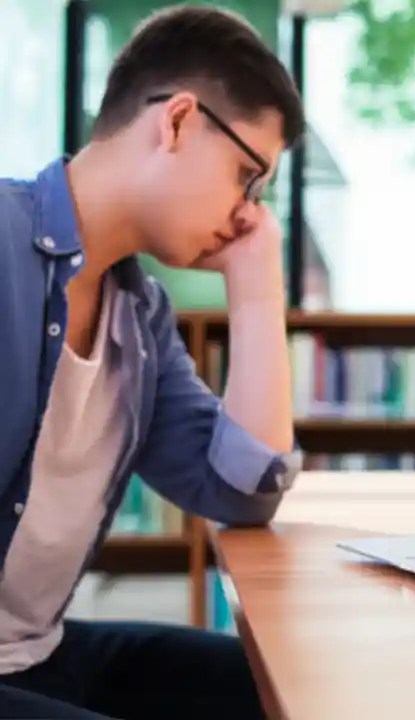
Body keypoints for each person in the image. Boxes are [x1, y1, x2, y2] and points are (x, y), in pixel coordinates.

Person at [0, 4, 303, 718]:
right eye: (247, 177)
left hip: (37, 653)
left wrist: (257, 286)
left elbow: (240, 491)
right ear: (176, 122)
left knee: (281, 693)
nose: (246, 214)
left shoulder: (139, 322)